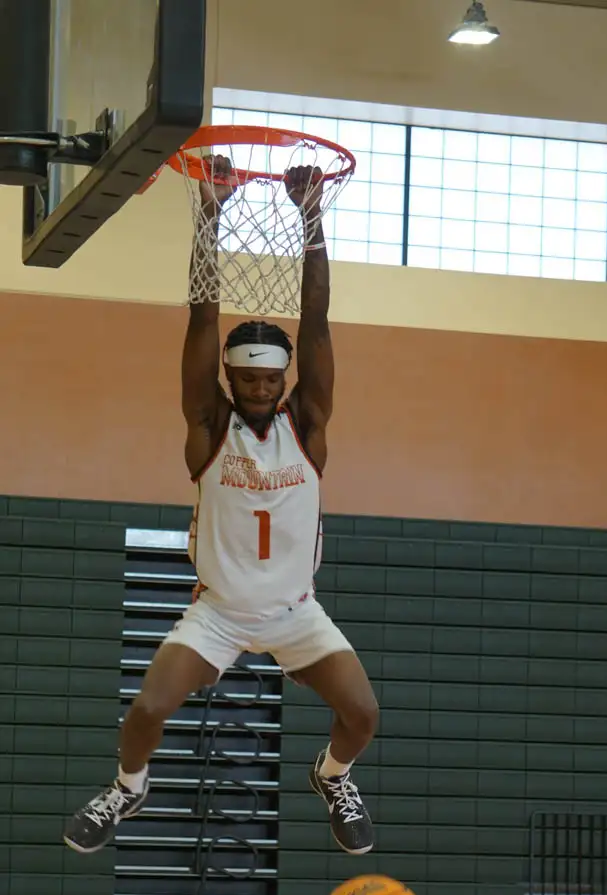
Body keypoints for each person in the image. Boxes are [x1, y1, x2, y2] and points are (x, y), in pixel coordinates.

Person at [64, 158, 378, 858]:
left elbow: (318, 323)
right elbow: (201, 315)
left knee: (361, 713)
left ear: (284, 378)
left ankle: (330, 778)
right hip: (218, 611)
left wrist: (311, 215)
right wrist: (210, 209)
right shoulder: (208, 427)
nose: (261, 387)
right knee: (147, 709)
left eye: (271, 378)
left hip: (296, 609)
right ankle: (128, 788)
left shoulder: (310, 426)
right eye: (247, 378)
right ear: (230, 379)